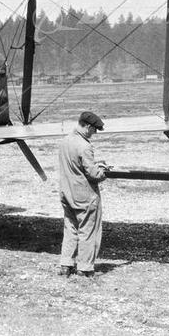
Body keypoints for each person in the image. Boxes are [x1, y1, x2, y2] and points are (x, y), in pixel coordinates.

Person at [57, 111, 109, 277]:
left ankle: (66, 264)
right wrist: (103, 170)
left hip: (66, 193)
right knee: (87, 230)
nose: (94, 133)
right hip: (84, 197)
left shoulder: (65, 141)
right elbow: (93, 175)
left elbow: (75, 166)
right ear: (87, 126)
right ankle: (85, 268)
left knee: (70, 228)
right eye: (94, 129)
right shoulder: (85, 146)